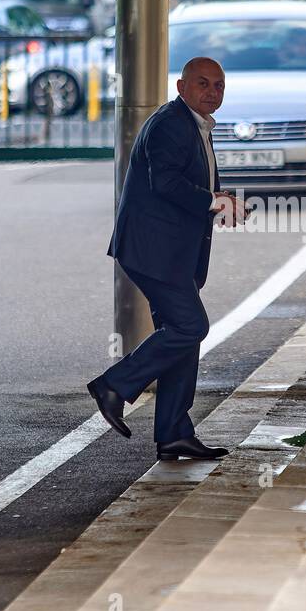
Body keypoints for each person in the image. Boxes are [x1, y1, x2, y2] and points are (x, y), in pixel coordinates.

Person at [86, 57, 249, 461]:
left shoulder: (195, 123)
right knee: (191, 325)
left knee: (181, 335)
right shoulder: (171, 124)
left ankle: (174, 433)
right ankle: (114, 384)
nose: (212, 92)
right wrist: (213, 201)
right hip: (153, 250)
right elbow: (167, 183)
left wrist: (220, 201)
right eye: (203, 84)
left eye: (219, 86)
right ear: (181, 87)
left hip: (170, 250)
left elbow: (194, 180)